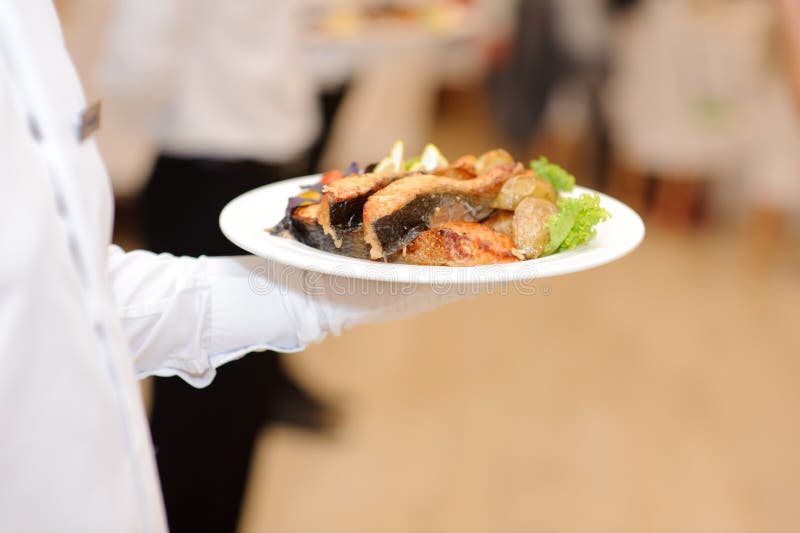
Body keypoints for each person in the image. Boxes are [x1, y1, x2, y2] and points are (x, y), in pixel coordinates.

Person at [0, 2, 461, 531]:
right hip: (202, 166)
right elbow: (138, 62)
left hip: (263, 159)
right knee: (199, 427)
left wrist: (344, 294)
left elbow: (88, 301)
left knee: (239, 413)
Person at [99, 1, 348, 530]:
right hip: (214, 176)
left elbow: (135, 67)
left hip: (248, 171)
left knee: (237, 405)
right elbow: (136, 62)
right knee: (201, 413)